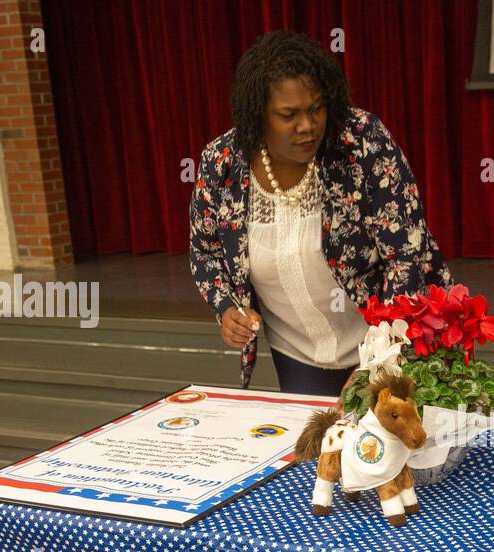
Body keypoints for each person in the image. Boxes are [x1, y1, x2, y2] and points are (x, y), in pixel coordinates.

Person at [188, 30, 451, 396]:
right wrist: (227, 307)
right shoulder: (222, 163)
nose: (308, 126)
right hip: (297, 355)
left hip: (393, 342)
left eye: (316, 108)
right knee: (322, 452)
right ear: (257, 116)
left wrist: (380, 359)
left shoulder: (362, 141)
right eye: (288, 115)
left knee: (405, 447)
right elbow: (205, 251)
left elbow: (407, 254)